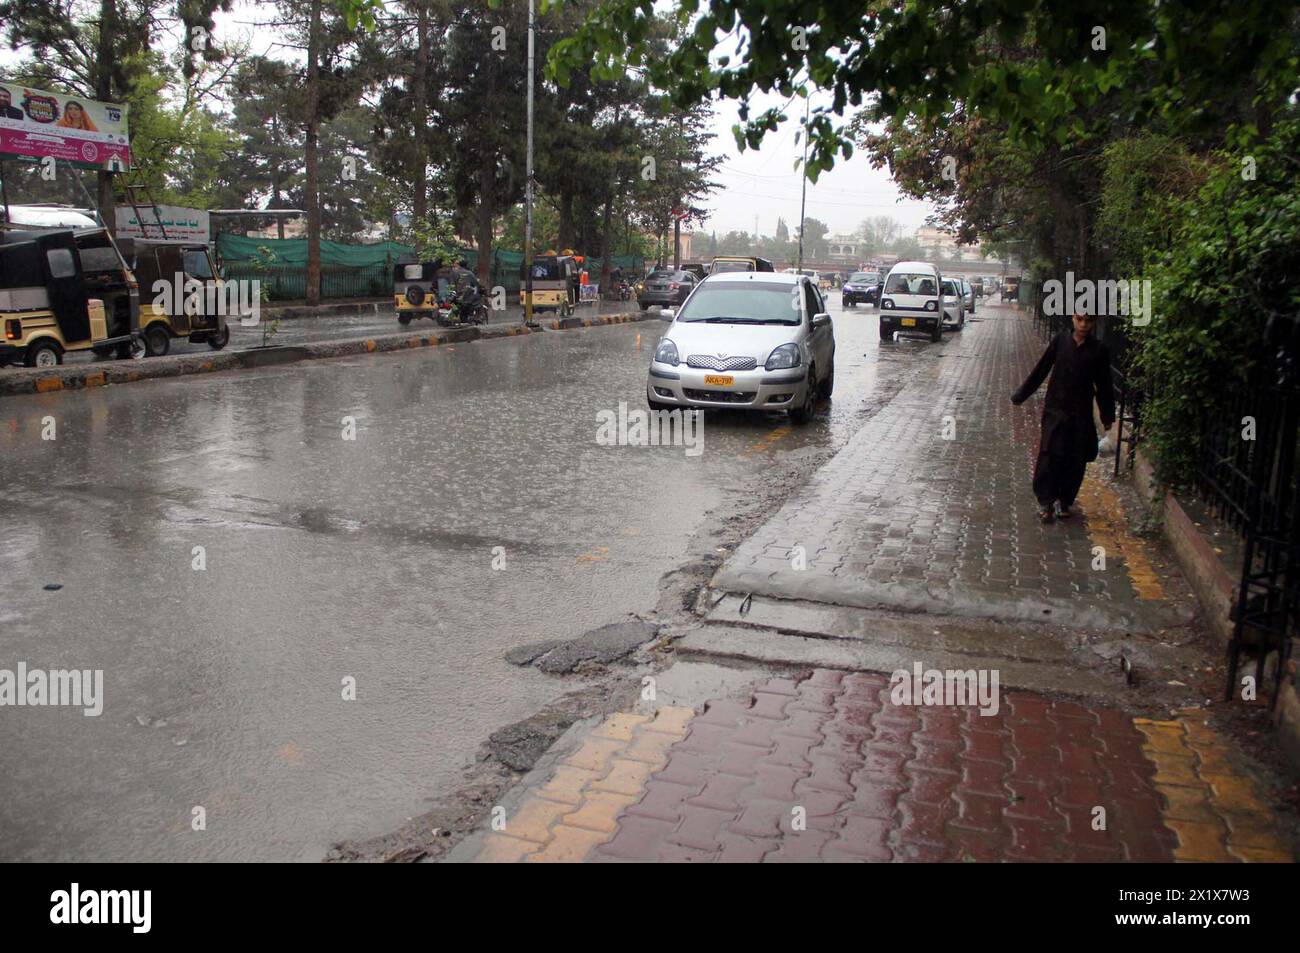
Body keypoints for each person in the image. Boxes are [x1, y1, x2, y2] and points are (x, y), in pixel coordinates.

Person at [1012, 311, 1116, 523]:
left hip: (1081, 414)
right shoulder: (1061, 341)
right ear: (1072, 318)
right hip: (1055, 410)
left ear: (1093, 322)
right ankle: (1046, 501)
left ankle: (1065, 500)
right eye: (1079, 319)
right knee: (1050, 453)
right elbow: (1042, 369)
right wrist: (1021, 395)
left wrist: (1107, 416)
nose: (1083, 325)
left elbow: (1105, 386)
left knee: (1075, 458)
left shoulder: (1099, 350)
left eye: (1088, 321)